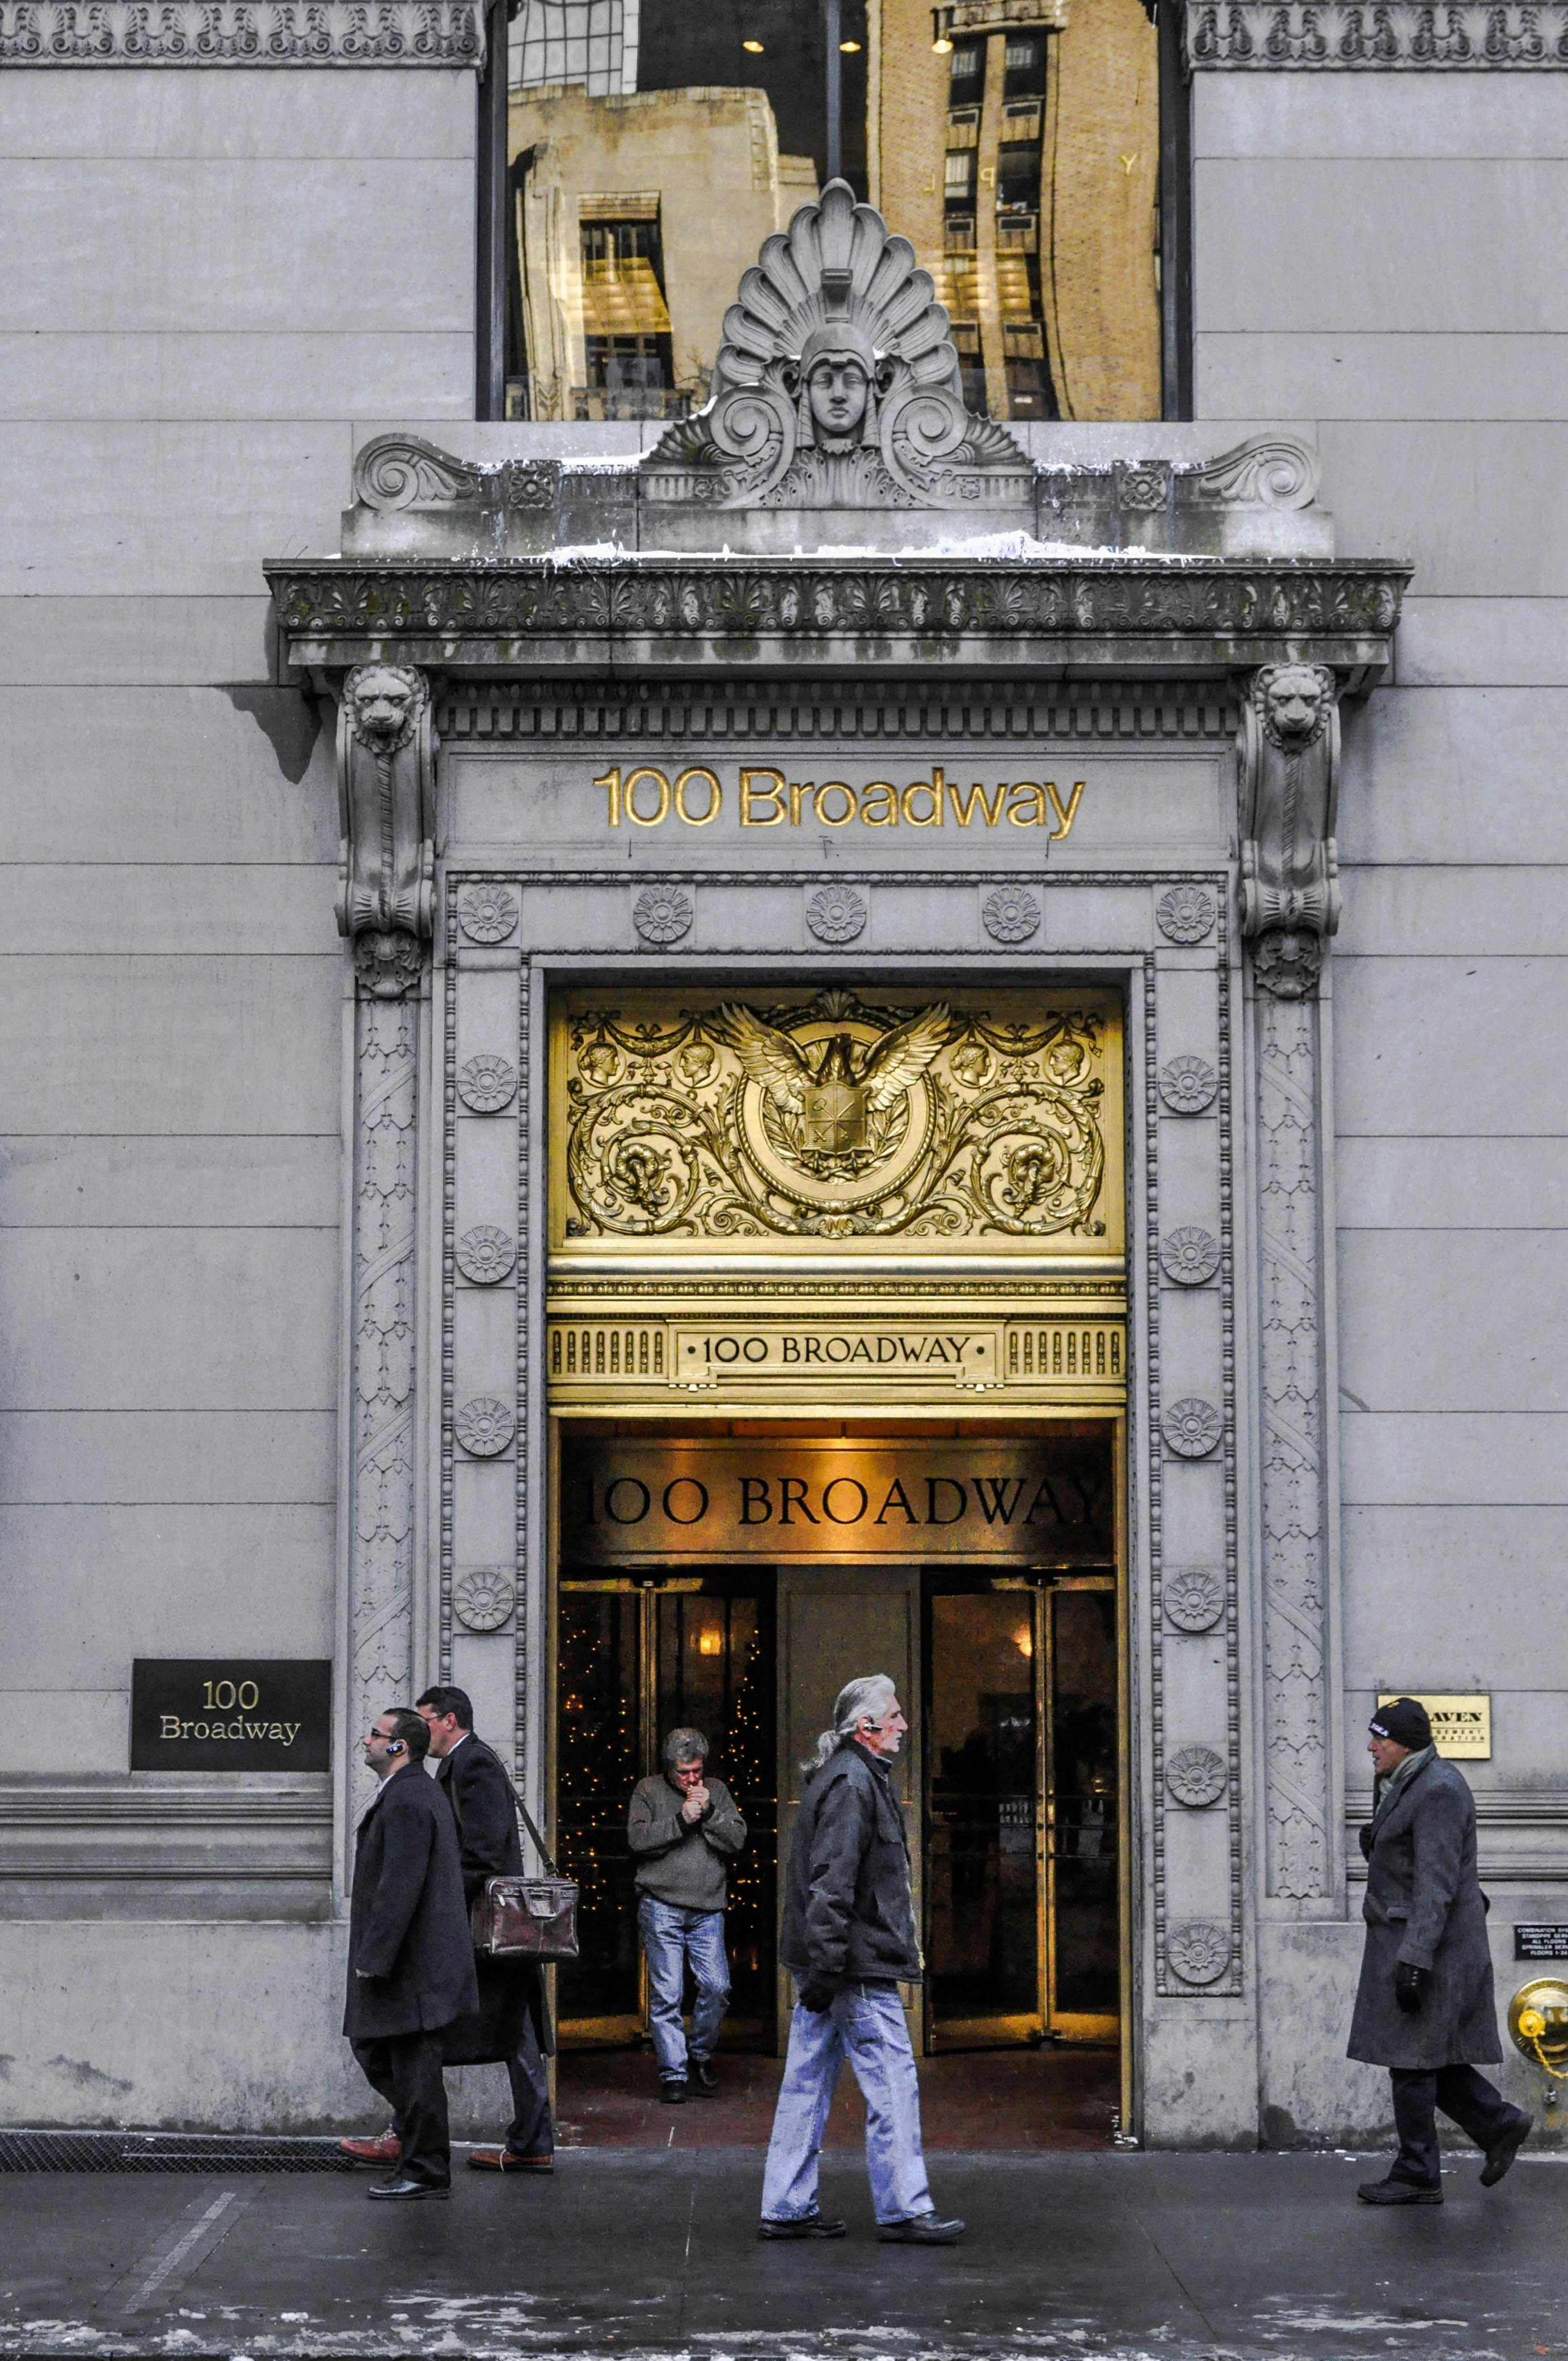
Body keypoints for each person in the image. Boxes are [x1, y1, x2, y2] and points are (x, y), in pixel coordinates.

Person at [760, 1674, 963, 2245]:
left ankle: (785, 2203)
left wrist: (819, 1969)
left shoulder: (845, 1777)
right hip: (854, 1965)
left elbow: (828, 1884)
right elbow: (834, 1883)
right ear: (865, 1726)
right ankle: (903, 2206)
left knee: (806, 2078)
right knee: (893, 2079)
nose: (902, 1724)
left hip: (830, 1961)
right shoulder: (854, 1783)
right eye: (893, 1715)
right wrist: (828, 1968)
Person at [1348, 1696, 1532, 2205]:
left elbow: (1437, 1884)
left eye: (1379, 1738)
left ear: (1404, 1741)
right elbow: (1414, 1863)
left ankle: (1417, 2173)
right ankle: (1499, 2124)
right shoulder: (1407, 1782)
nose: (1371, 1746)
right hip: (1413, 1942)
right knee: (1424, 2057)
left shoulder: (1438, 1790)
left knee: (1410, 2062)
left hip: (1429, 1948)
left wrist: (1416, 1960)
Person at [418, 1685, 555, 2176]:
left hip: (485, 1923)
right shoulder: (466, 1762)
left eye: (426, 1721)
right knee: (513, 2030)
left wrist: (441, 1889)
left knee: (501, 2028)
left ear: (448, 1720)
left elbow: (485, 1854)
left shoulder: (470, 1764)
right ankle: (531, 2139)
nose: (421, 1732)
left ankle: (412, 2130)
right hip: (491, 1925)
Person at [343, 1706, 478, 2200]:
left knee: (411, 2065)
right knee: (378, 2051)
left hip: (411, 1966)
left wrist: (374, 1957)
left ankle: (425, 2166)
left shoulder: (409, 1799)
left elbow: (401, 1886)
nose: (367, 1742)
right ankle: (421, 2150)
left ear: (399, 1747)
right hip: (410, 1963)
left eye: (375, 1735)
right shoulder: (410, 1793)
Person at [627, 1726, 747, 2102]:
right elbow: (638, 1840)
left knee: (717, 1987)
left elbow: (738, 1840)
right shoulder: (648, 1791)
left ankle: (697, 2052)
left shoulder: (717, 1791)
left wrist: (708, 1811)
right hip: (661, 1905)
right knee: (668, 1994)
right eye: (684, 1773)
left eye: (697, 1770)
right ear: (669, 1769)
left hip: (708, 1908)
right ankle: (674, 2074)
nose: (692, 1778)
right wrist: (681, 1820)